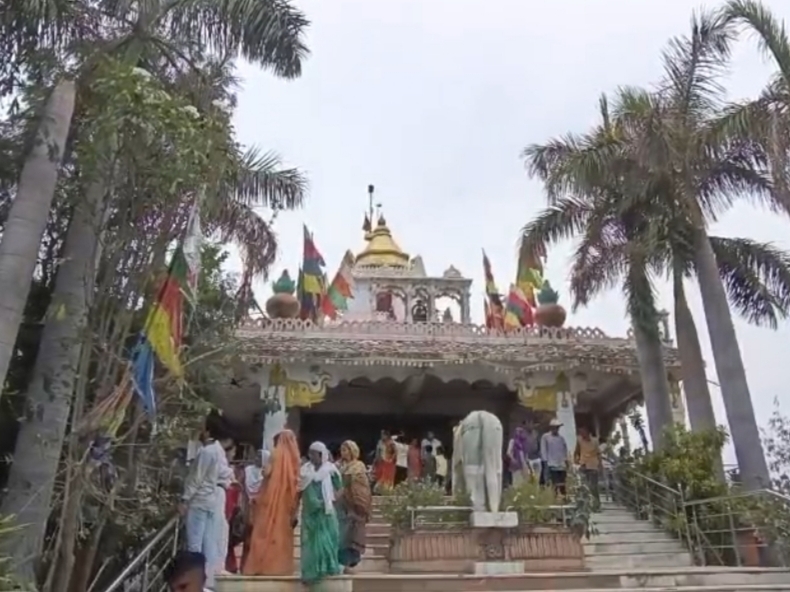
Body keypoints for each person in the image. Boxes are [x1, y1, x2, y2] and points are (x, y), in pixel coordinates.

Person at [243, 430, 300, 576]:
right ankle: (278, 566)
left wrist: (264, 472)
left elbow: (267, 472)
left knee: (265, 530)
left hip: (270, 497)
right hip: (286, 501)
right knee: (280, 532)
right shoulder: (295, 458)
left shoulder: (275, 454)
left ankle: (262, 565)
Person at [178, 413, 224, 590]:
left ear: (208, 430)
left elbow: (196, 479)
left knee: (194, 545)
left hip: (199, 502)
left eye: (203, 425)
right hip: (210, 500)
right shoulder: (217, 450)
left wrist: (184, 499)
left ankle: (195, 583)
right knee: (208, 543)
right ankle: (207, 583)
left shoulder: (206, 452)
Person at [299, 441, 343, 584]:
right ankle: (311, 572)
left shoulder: (331, 470)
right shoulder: (305, 471)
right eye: (309, 452)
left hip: (326, 512)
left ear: (321, 454)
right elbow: (299, 490)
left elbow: (340, 489)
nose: (311, 456)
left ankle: (328, 568)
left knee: (328, 540)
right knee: (310, 543)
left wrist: (330, 500)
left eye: (314, 453)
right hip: (310, 513)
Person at [336, 440, 373, 572]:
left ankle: (350, 564)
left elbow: (362, 487)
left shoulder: (358, 466)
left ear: (352, 451)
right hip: (341, 505)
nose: (343, 452)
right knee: (341, 534)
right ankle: (340, 562)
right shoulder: (339, 466)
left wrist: (358, 501)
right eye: (341, 450)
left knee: (353, 534)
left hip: (354, 505)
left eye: (345, 450)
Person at [241, 450, 270, 568]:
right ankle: (245, 565)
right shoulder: (247, 471)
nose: (256, 458)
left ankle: (259, 565)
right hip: (249, 506)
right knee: (247, 537)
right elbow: (243, 489)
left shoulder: (267, 474)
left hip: (261, 508)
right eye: (256, 455)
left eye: (260, 456)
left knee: (259, 538)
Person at [574, 425, 602, 510]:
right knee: (584, 486)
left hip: (593, 465)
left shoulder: (595, 441)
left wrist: (600, 465)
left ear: (588, 432)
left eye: (583, 432)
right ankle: (586, 505)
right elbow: (576, 451)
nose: (582, 434)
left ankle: (596, 505)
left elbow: (598, 454)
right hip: (583, 465)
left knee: (593, 487)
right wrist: (576, 460)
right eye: (581, 433)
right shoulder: (579, 441)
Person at [540, 418, 569, 496]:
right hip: (551, 464)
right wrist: (545, 463)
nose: (556, 429)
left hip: (561, 465)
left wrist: (566, 461)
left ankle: (564, 498)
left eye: (557, 427)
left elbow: (564, 450)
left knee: (562, 484)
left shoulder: (561, 438)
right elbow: (543, 450)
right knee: (554, 484)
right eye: (555, 427)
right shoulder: (546, 437)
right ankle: (554, 498)